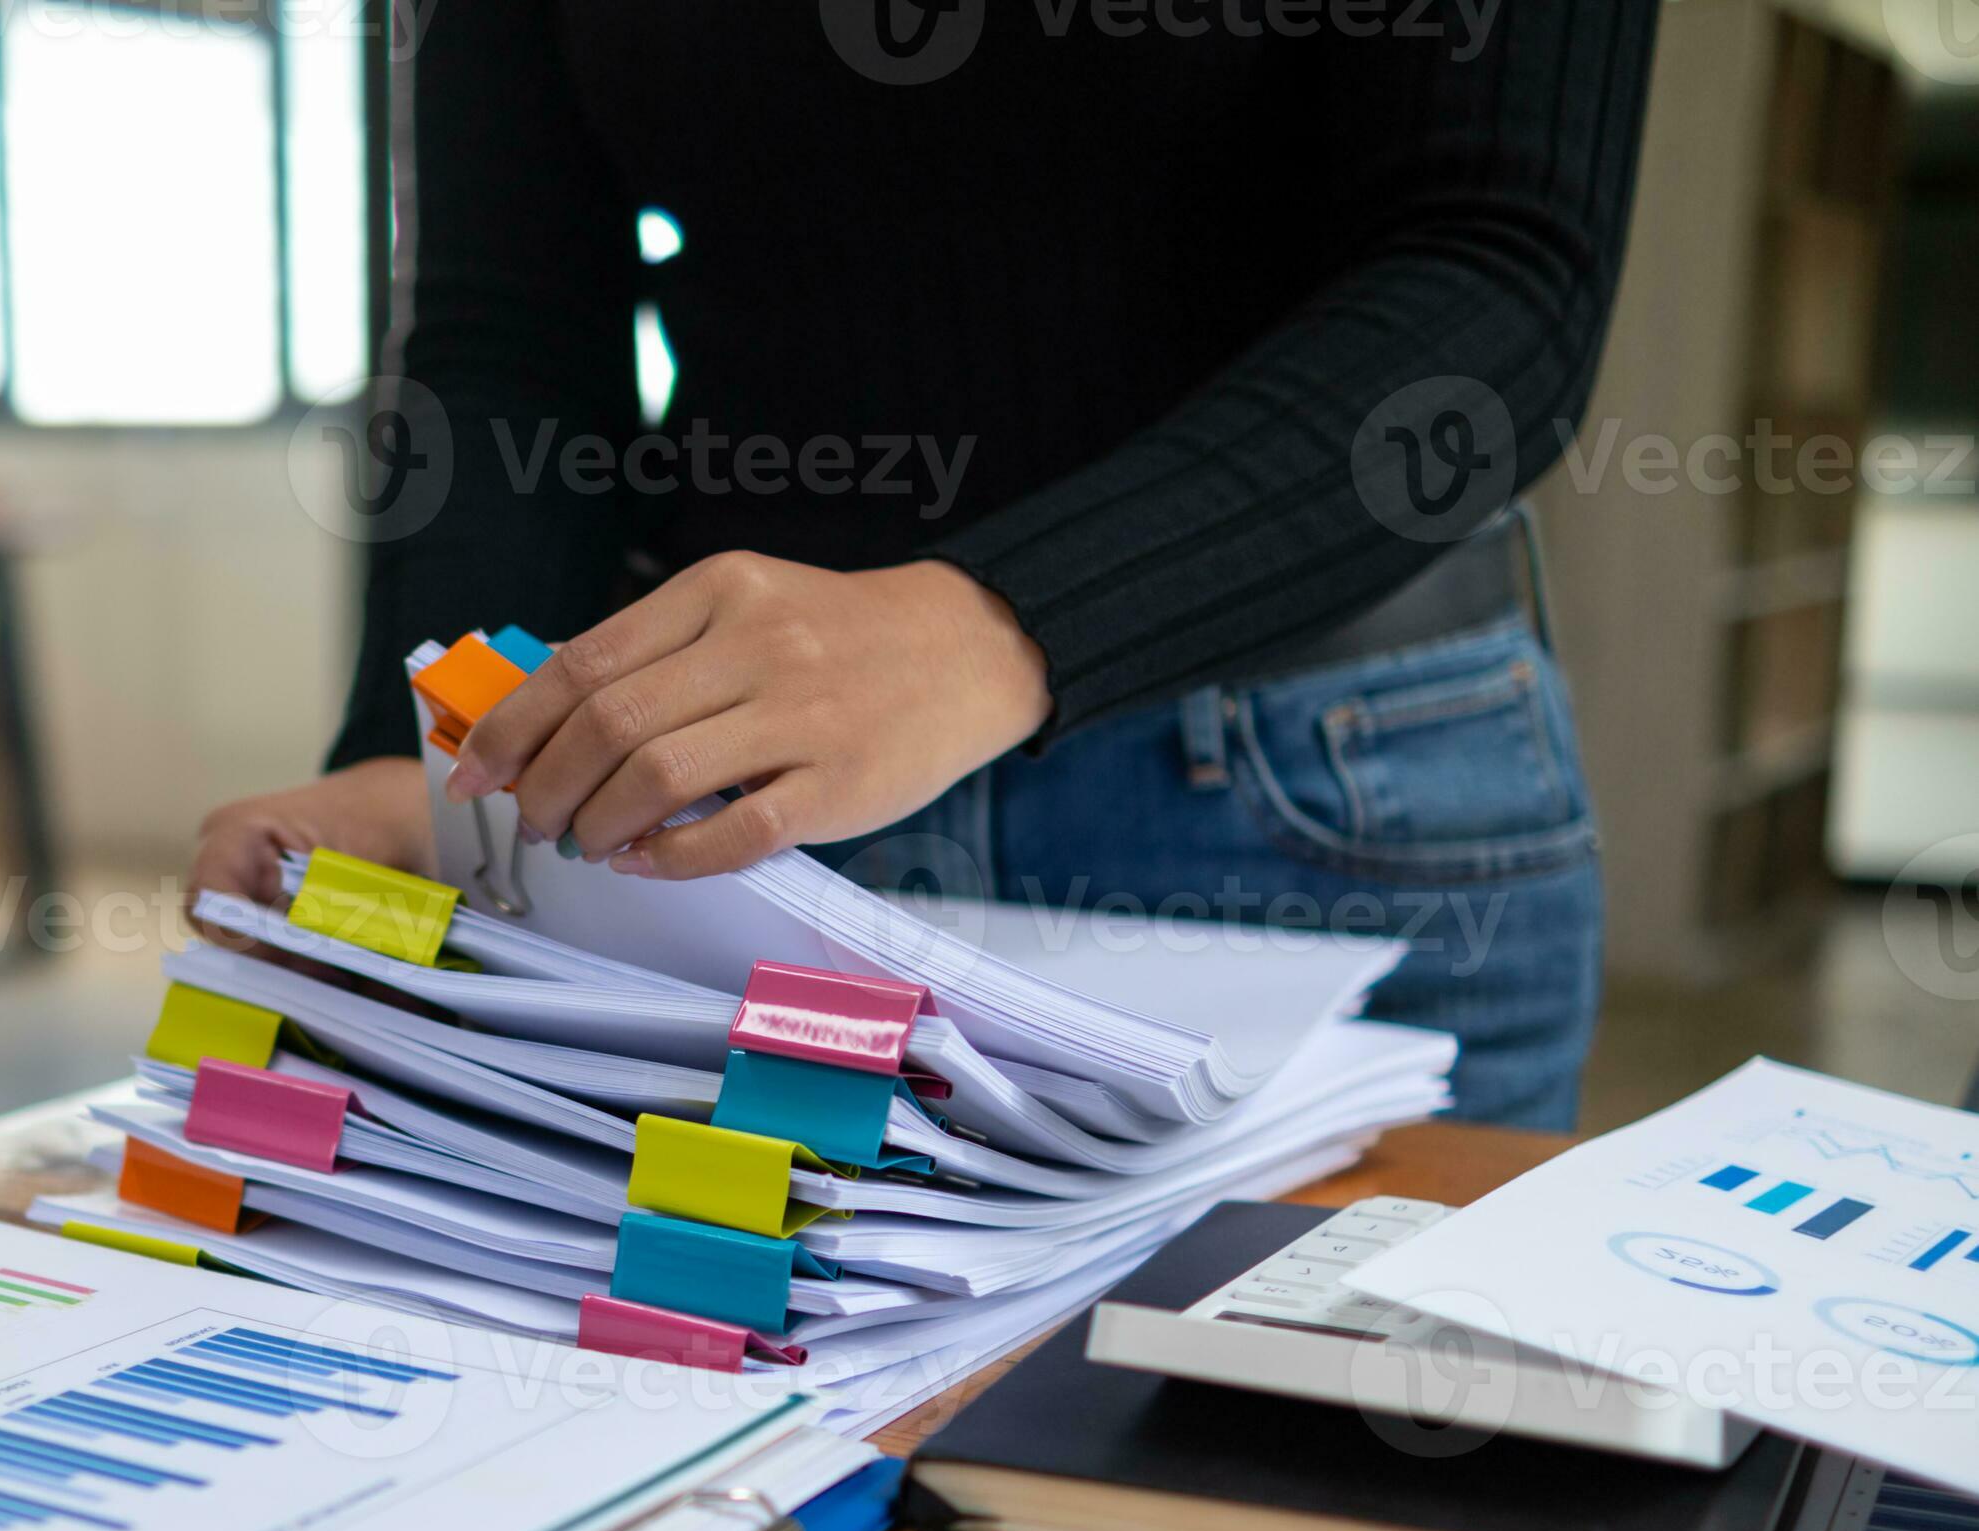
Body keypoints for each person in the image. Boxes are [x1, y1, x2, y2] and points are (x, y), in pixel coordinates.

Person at [195, 1, 1664, 1131]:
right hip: (721, 817)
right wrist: (440, 756)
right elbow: (508, 335)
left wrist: (1005, 624)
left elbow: (1502, 265)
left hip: (1315, 793)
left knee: (1303, 1507)